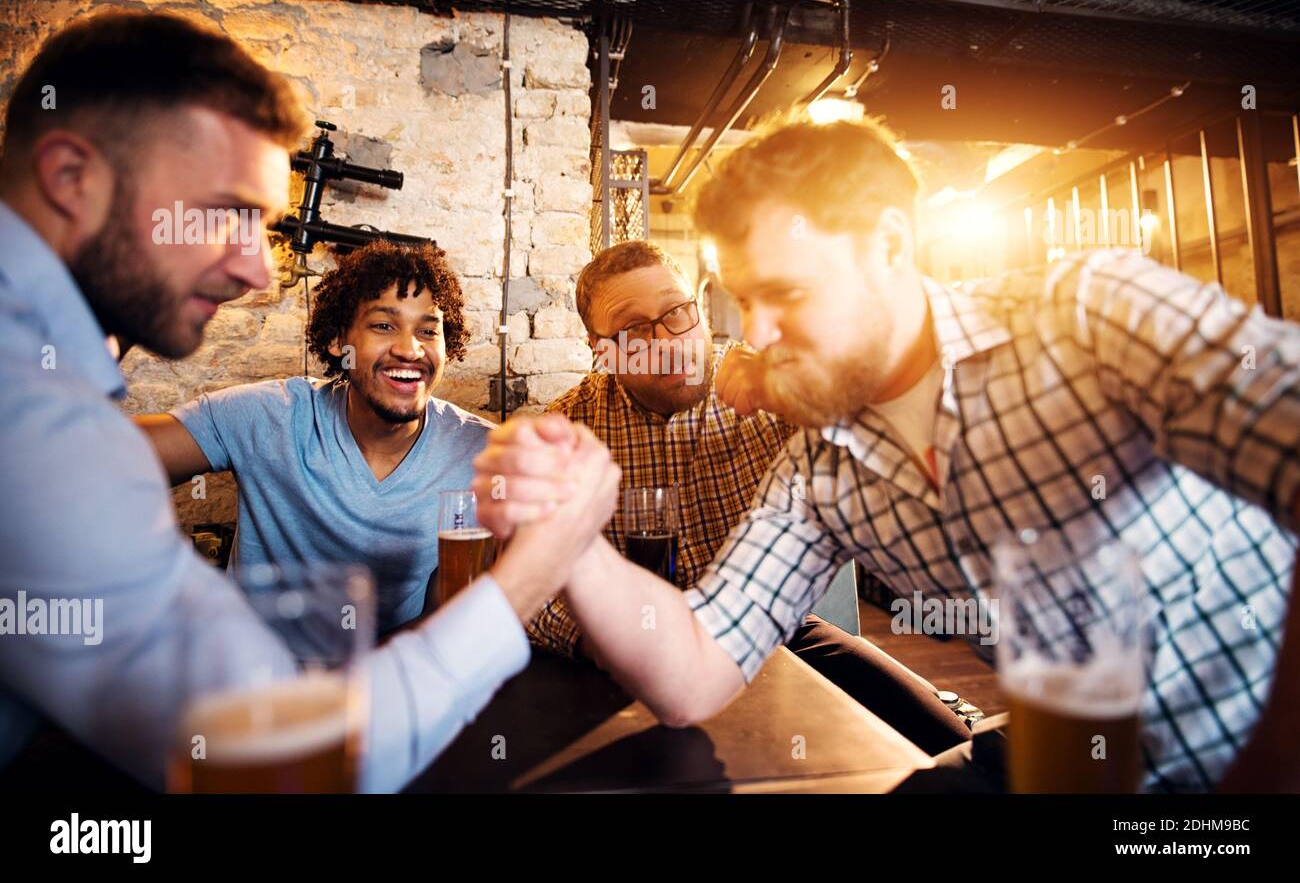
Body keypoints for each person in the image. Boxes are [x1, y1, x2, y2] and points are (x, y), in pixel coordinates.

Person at [474, 118, 1300, 792]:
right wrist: (568, 533)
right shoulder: (821, 464)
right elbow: (692, 669)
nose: (752, 335)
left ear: (891, 246)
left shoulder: (1086, 315)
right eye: (744, 299)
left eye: (786, 294)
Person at [0, 10, 615, 791]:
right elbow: (293, 755)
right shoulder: (35, 415)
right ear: (70, 179)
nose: (259, 270)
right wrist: (543, 559)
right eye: (230, 213)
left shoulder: (50, 401)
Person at [527, 238, 971, 754]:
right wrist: (600, 642)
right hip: (627, 655)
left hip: (777, 635)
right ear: (600, 349)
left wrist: (805, 395)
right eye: (633, 330)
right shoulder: (569, 427)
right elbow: (527, 583)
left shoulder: (770, 388)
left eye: (677, 312)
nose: (667, 340)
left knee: (948, 742)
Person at [137, 241, 491, 636]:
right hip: (254, 679)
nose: (410, 349)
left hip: (386, 680)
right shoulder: (270, 415)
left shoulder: (479, 453)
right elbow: (94, 458)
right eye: (383, 325)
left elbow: (450, 620)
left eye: (428, 330)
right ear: (339, 340)